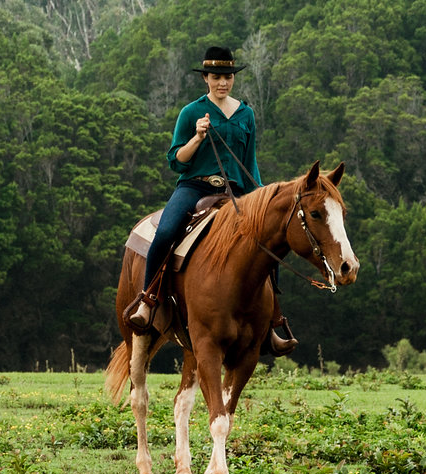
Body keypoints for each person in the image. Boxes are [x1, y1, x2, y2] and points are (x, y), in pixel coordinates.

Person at [127, 45, 299, 352]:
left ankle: (274, 321)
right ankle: (148, 300)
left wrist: (259, 195)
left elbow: (250, 161)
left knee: (271, 243)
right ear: (206, 78)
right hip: (194, 187)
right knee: (165, 233)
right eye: (217, 76)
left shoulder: (246, 114)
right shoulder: (191, 112)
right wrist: (197, 137)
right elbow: (176, 160)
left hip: (236, 192)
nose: (223, 82)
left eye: (228, 76)